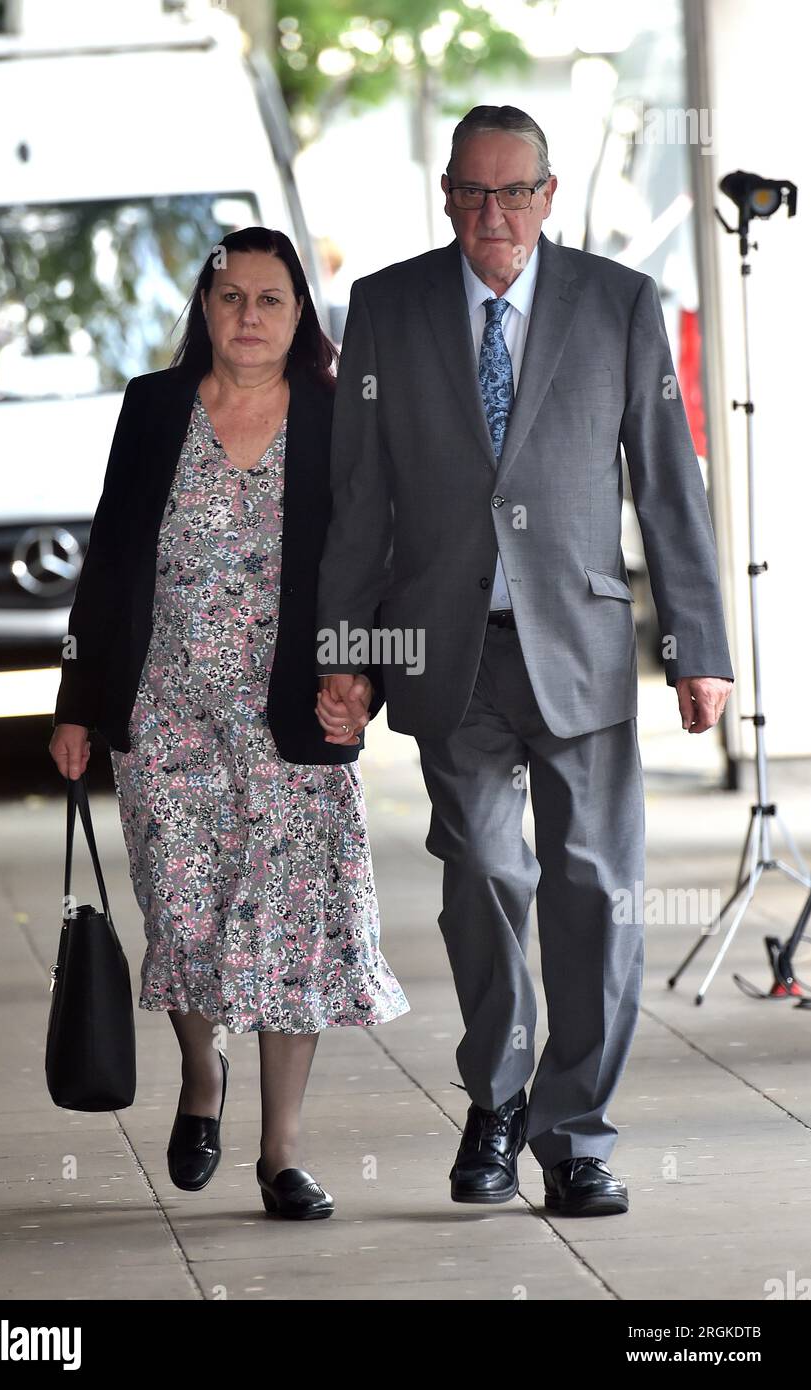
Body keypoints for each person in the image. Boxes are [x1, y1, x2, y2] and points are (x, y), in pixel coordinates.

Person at [315, 106, 734, 1216]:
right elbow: (359, 497)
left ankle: (576, 1135)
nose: (489, 216)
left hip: (583, 646)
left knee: (593, 893)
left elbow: (665, 481)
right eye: (469, 193)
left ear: (547, 195)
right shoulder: (388, 308)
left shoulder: (617, 301)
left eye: (511, 194)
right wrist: (348, 648)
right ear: (444, 194)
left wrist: (697, 642)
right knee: (486, 879)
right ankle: (497, 1098)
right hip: (443, 652)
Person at [50, 226, 409, 1220]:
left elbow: (376, 564)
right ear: (203, 310)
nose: (247, 316)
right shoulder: (154, 408)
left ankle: (282, 1154)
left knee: (293, 930)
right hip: (166, 719)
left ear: (300, 317)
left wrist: (366, 681)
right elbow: (109, 562)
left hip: (295, 716)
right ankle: (201, 1076)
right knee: (187, 917)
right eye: (229, 298)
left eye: (269, 300)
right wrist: (78, 702)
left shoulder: (338, 417)